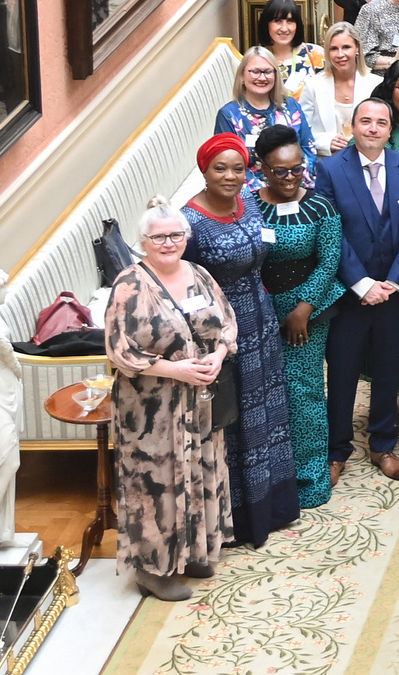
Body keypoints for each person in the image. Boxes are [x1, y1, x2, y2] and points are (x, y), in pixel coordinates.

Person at [105, 199, 238, 601]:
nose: (168, 243)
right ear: (143, 242)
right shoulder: (129, 285)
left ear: (186, 237)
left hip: (200, 401)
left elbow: (227, 323)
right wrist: (175, 370)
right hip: (150, 410)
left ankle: (192, 551)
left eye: (175, 235)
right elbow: (119, 350)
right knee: (155, 485)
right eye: (158, 237)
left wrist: (217, 355)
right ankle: (152, 569)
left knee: (199, 470)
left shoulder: (199, 274)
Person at [182, 134, 298, 546]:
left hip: (263, 326)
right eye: (220, 168)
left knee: (267, 415)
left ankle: (275, 506)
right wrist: (210, 341)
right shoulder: (189, 222)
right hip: (223, 337)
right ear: (204, 170)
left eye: (237, 168)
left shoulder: (249, 201)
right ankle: (236, 522)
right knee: (233, 425)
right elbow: (185, 288)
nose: (230, 176)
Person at [317, 95, 399, 486]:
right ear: (353, 127)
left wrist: (394, 282)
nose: (373, 128)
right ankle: (337, 451)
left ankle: (383, 444)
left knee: (386, 370)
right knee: (343, 373)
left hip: (394, 293)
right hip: (350, 294)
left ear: (390, 129)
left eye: (381, 123)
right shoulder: (329, 169)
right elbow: (331, 233)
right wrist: (363, 284)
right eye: (365, 121)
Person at [251, 127, 345, 510]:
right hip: (258, 310)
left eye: (296, 170)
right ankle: (270, 478)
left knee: (303, 392)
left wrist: (302, 310)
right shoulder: (249, 206)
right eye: (280, 171)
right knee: (264, 394)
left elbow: (329, 261)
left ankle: (310, 478)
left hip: (308, 312)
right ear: (262, 169)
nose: (290, 179)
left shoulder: (320, 206)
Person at [215, 48, 317, 191]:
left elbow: (308, 148)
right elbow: (228, 165)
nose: (262, 78)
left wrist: (294, 182)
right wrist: (268, 192)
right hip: (254, 194)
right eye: (255, 72)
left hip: (297, 185)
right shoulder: (229, 115)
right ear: (242, 76)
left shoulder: (291, 106)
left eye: (268, 72)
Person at [298, 23, 382, 157]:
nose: (340, 54)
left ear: (357, 48)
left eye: (346, 47)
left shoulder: (376, 84)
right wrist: (326, 142)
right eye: (333, 49)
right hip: (326, 163)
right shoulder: (313, 85)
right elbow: (300, 130)